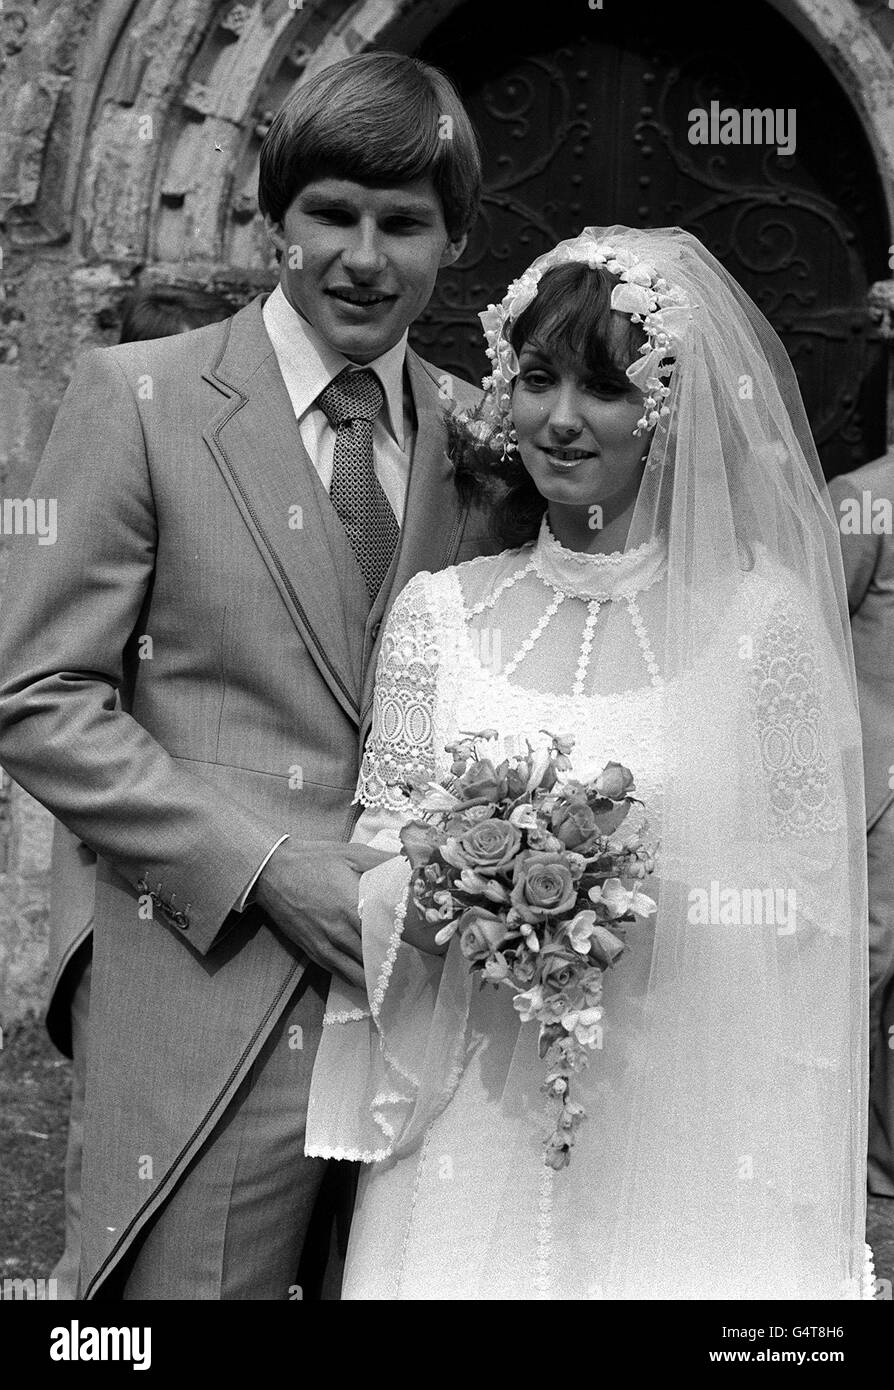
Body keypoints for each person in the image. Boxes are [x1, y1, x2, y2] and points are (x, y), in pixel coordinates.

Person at [0, 50, 495, 1299]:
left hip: (428, 1024)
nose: (365, 257)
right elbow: (37, 696)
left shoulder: (484, 434)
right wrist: (268, 870)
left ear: (455, 242)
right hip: (202, 986)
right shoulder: (142, 397)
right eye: (332, 214)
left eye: (405, 224)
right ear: (274, 220)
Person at [306, 226, 875, 1299]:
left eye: (604, 388)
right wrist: (479, 891)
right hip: (474, 1113)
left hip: (689, 1123)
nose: (562, 419)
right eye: (537, 379)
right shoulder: (438, 618)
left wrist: (639, 907)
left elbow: (816, 901)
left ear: (666, 407)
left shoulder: (765, 630)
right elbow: (378, 847)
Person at [46, 282, 238, 1300]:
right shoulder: (115, 470)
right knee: (108, 1204)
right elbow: (64, 697)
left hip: (235, 918)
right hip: (122, 899)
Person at [828, 451, 894, 1199]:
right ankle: (856, 1170)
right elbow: (813, 636)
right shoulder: (863, 498)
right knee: (863, 977)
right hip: (880, 800)